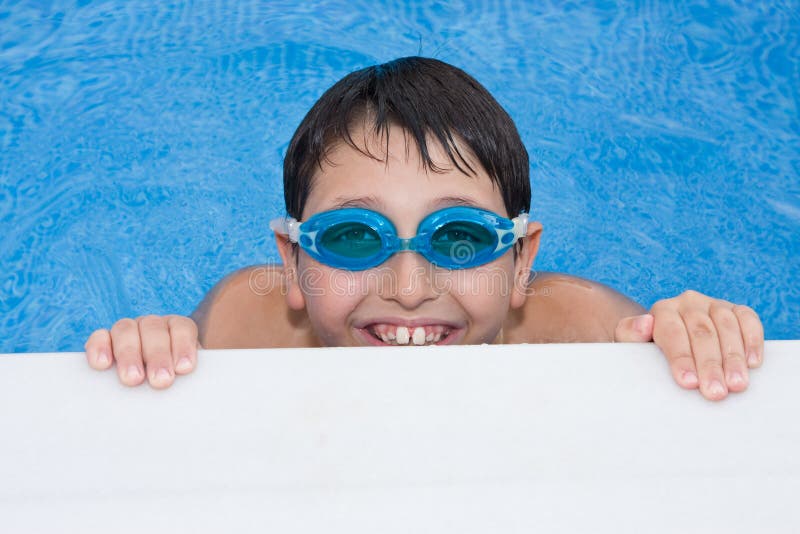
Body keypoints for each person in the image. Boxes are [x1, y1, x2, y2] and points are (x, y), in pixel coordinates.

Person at [84, 57, 764, 401]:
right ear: (291, 265)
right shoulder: (241, 324)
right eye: (355, 237)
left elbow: (671, 354)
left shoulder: (580, 328)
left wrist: (692, 328)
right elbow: (166, 390)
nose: (409, 290)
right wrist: (153, 343)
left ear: (521, 262)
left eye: (458, 238)